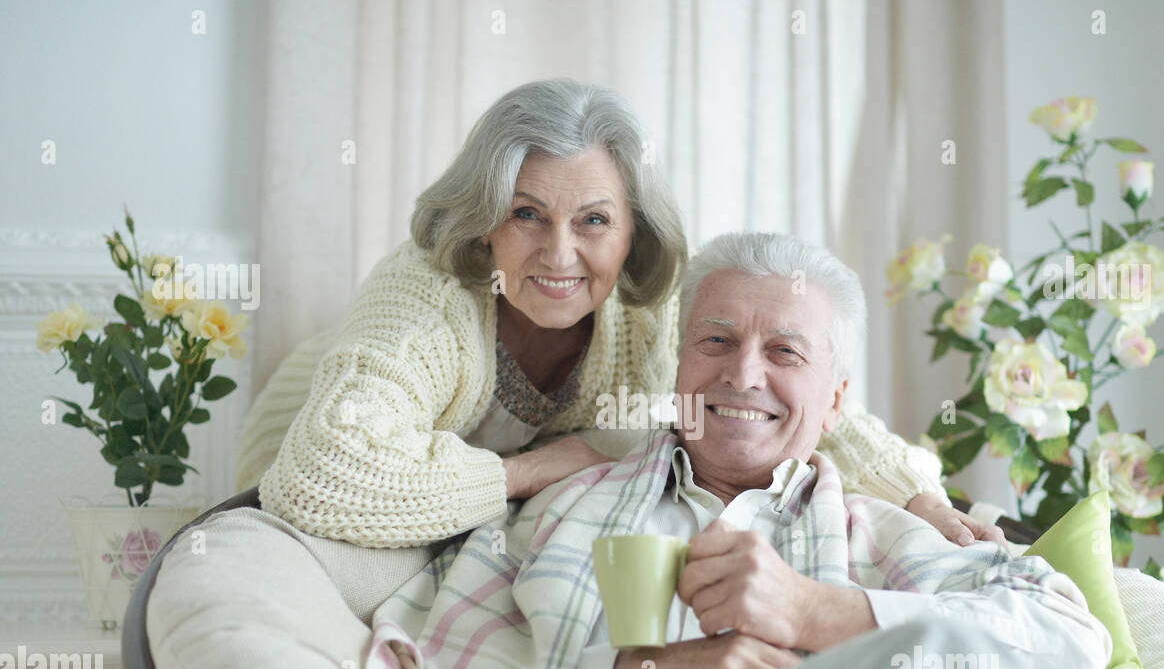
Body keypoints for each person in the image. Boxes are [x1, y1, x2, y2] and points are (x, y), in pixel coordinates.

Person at [363, 231, 1117, 669]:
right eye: (715, 340)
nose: (742, 374)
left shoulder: (874, 530)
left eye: (785, 352)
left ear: (835, 403)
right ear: (681, 364)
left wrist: (814, 610)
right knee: (927, 661)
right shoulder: (569, 503)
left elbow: (1072, 635)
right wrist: (656, 667)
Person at [241, 77, 1004, 549]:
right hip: (304, 437)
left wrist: (920, 498)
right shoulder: (431, 291)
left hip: (461, 495)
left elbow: (794, 391)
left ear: (635, 228)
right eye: (528, 215)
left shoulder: (650, 303)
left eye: (595, 221)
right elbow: (321, 474)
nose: (560, 256)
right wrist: (539, 470)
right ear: (484, 220)